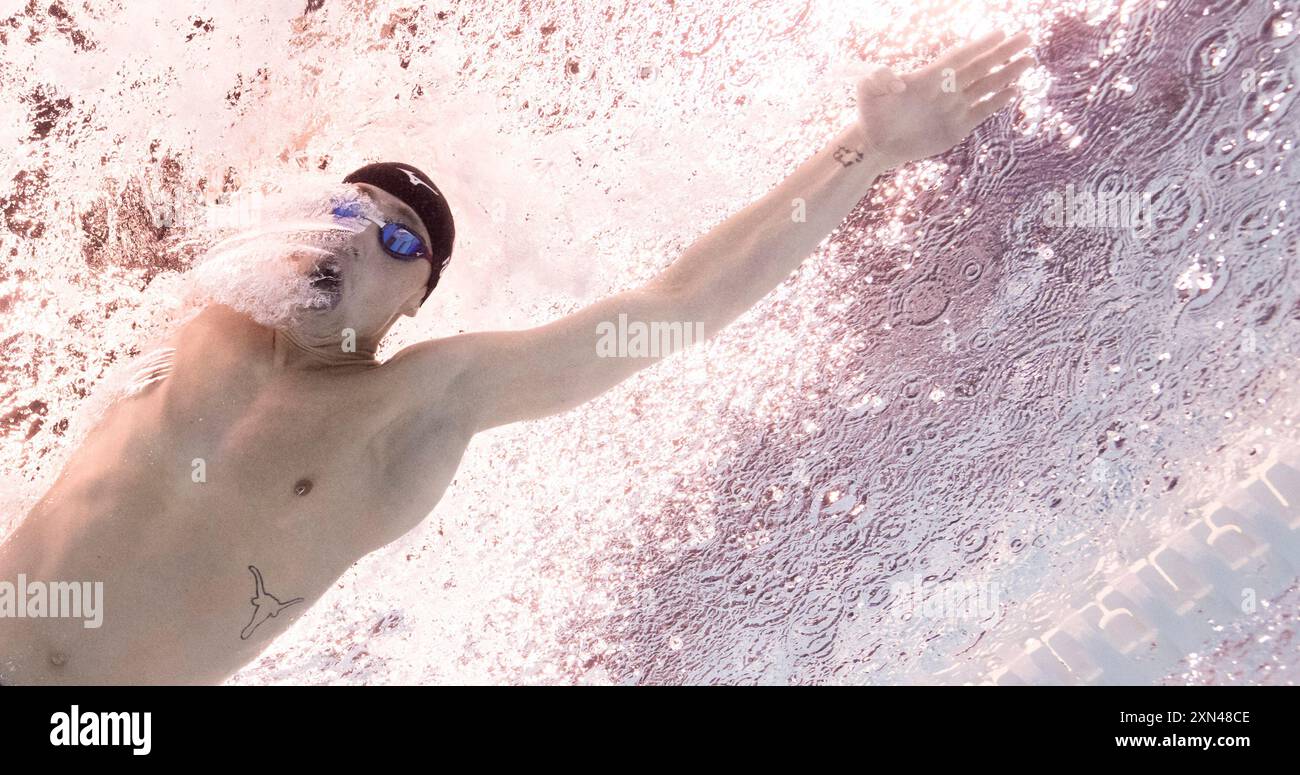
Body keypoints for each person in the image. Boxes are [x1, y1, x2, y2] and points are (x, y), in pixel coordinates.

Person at [0, 31, 1034, 684]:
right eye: (349, 208)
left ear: (416, 300)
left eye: (402, 240)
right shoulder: (206, 310)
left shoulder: (413, 404)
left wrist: (865, 150)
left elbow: (671, 310)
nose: (365, 233)